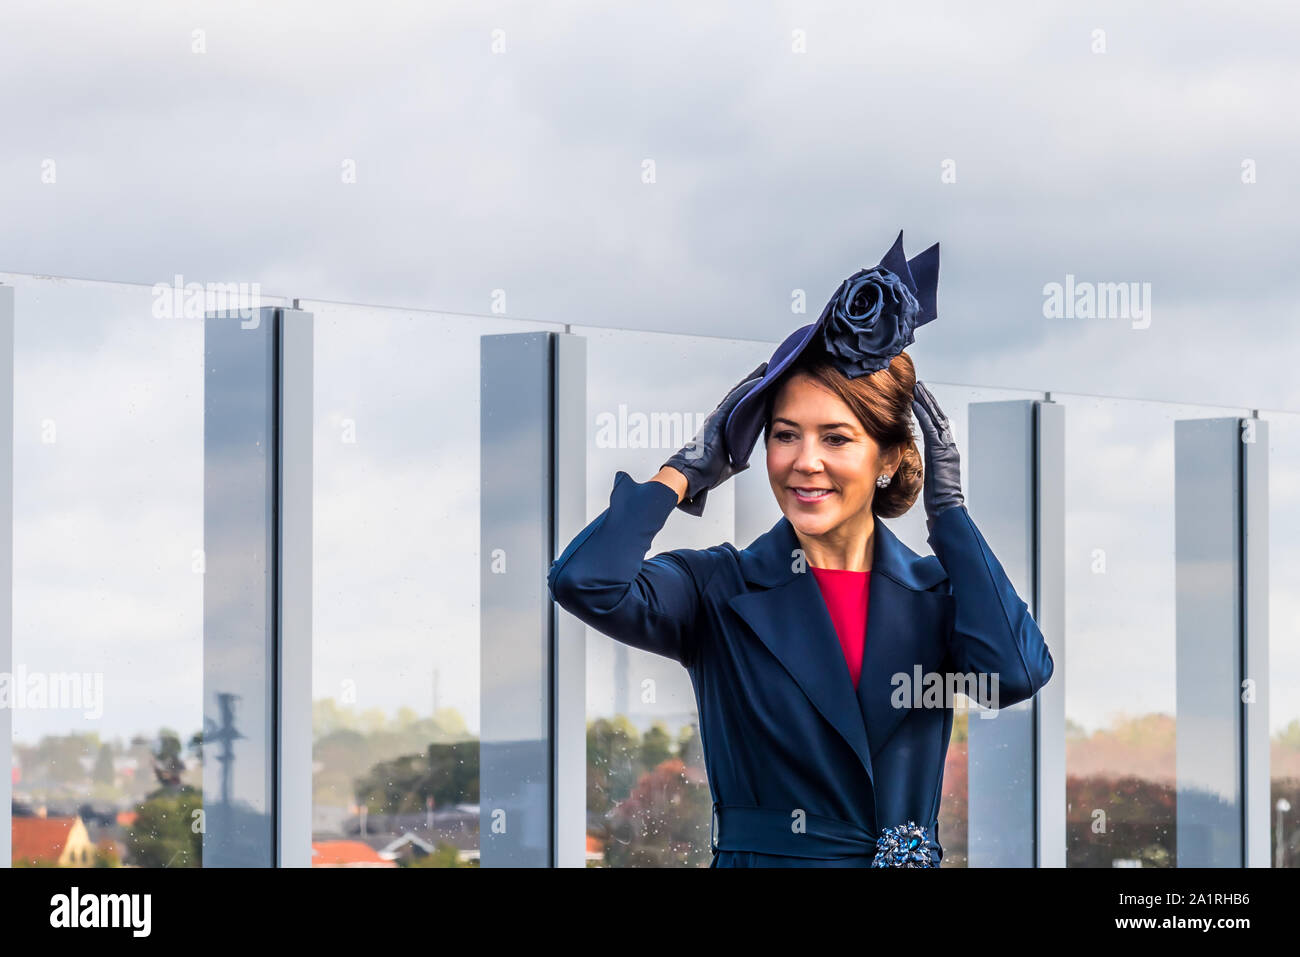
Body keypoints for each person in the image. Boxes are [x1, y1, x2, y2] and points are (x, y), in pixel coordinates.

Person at [548, 232, 1055, 867]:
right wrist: (684, 472)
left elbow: (1015, 674)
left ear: (891, 459)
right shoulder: (718, 590)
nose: (804, 463)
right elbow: (585, 582)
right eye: (785, 435)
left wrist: (949, 515)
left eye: (837, 439)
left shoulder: (938, 596)